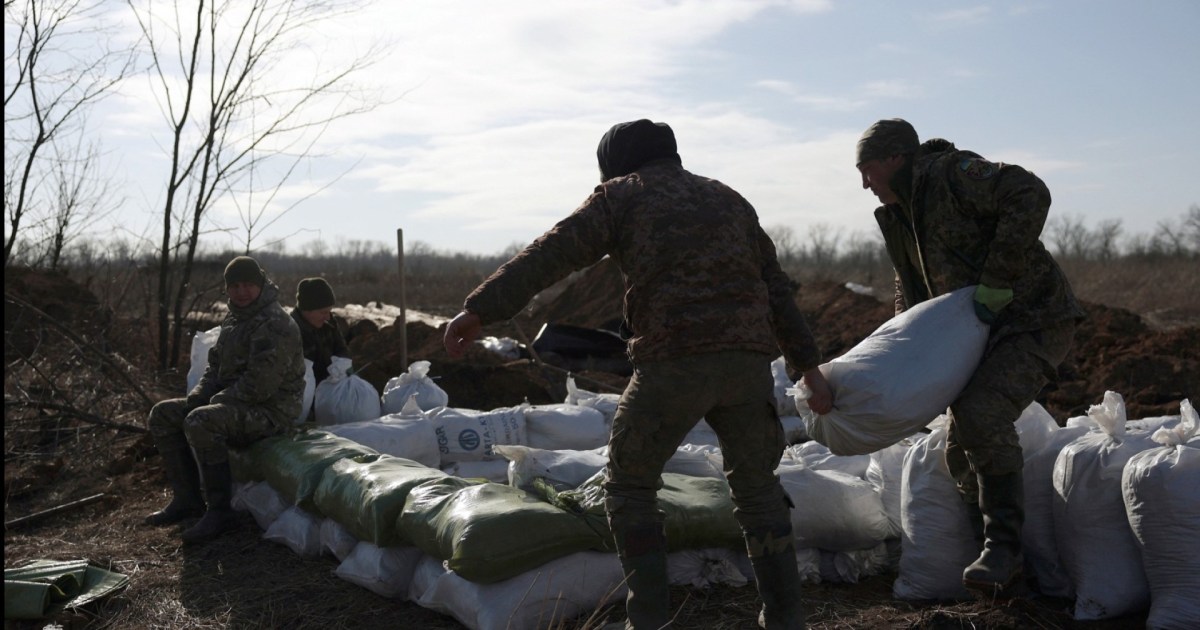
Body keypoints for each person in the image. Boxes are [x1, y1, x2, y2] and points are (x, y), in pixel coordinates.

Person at [444, 119, 832, 630]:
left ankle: (646, 621)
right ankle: (785, 620)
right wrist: (808, 369)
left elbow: (552, 254)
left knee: (629, 486)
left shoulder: (620, 195)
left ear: (616, 164)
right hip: (747, 366)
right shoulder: (730, 200)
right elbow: (777, 290)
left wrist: (479, 309)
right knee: (758, 490)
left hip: (673, 362)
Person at [854, 118, 1085, 596]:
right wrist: (908, 355)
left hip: (1031, 319)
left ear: (896, 158)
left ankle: (1003, 546)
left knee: (981, 412)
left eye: (868, 169)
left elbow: (1029, 192)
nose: (865, 184)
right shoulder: (900, 217)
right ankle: (1001, 567)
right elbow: (911, 289)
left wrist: (998, 278)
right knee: (959, 446)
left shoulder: (951, 174)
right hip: (976, 333)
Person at [144, 256, 306, 543]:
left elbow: (260, 386)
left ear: (260, 285)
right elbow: (214, 368)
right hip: (235, 403)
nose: (241, 292)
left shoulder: (275, 323)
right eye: (235, 286)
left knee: (201, 421)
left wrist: (213, 403)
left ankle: (220, 511)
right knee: (163, 414)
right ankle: (187, 499)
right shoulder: (235, 318)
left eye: (248, 285)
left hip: (270, 411)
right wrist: (198, 396)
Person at [291, 277, 349, 384]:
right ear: (306, 310)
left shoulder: (329, 323)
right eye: (323, 312)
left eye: (329, 311)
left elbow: (341, 349)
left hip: (333, 386)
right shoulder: (289, 332)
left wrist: (342, 366)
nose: (327, 317)